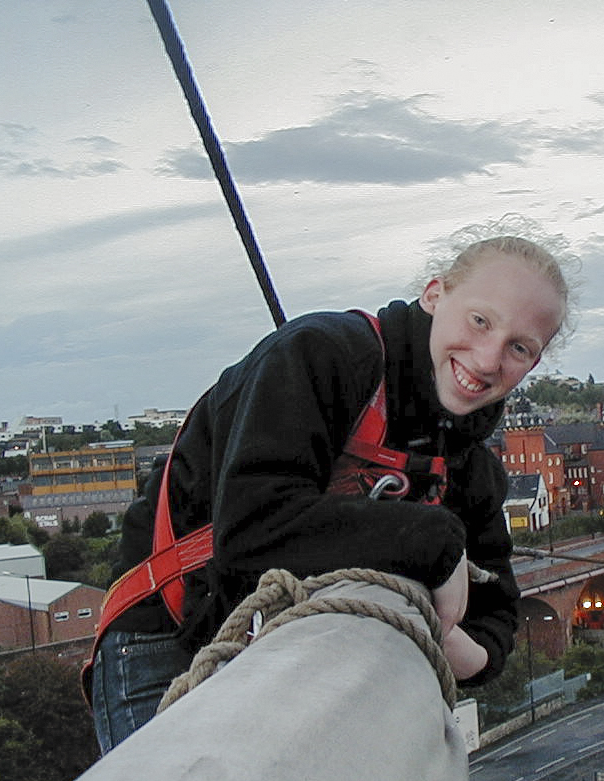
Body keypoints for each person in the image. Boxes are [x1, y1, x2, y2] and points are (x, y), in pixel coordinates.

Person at [87, 221, 574, 754]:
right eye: (480, 320)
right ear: (436, 295)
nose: (487, 359)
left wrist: (445, 637)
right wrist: (435, 542)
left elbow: (497, 614)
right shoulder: (321, 358)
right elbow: (253, 528)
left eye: (519, 347)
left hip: (295, 656)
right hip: (168, 634)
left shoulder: (467, 463)